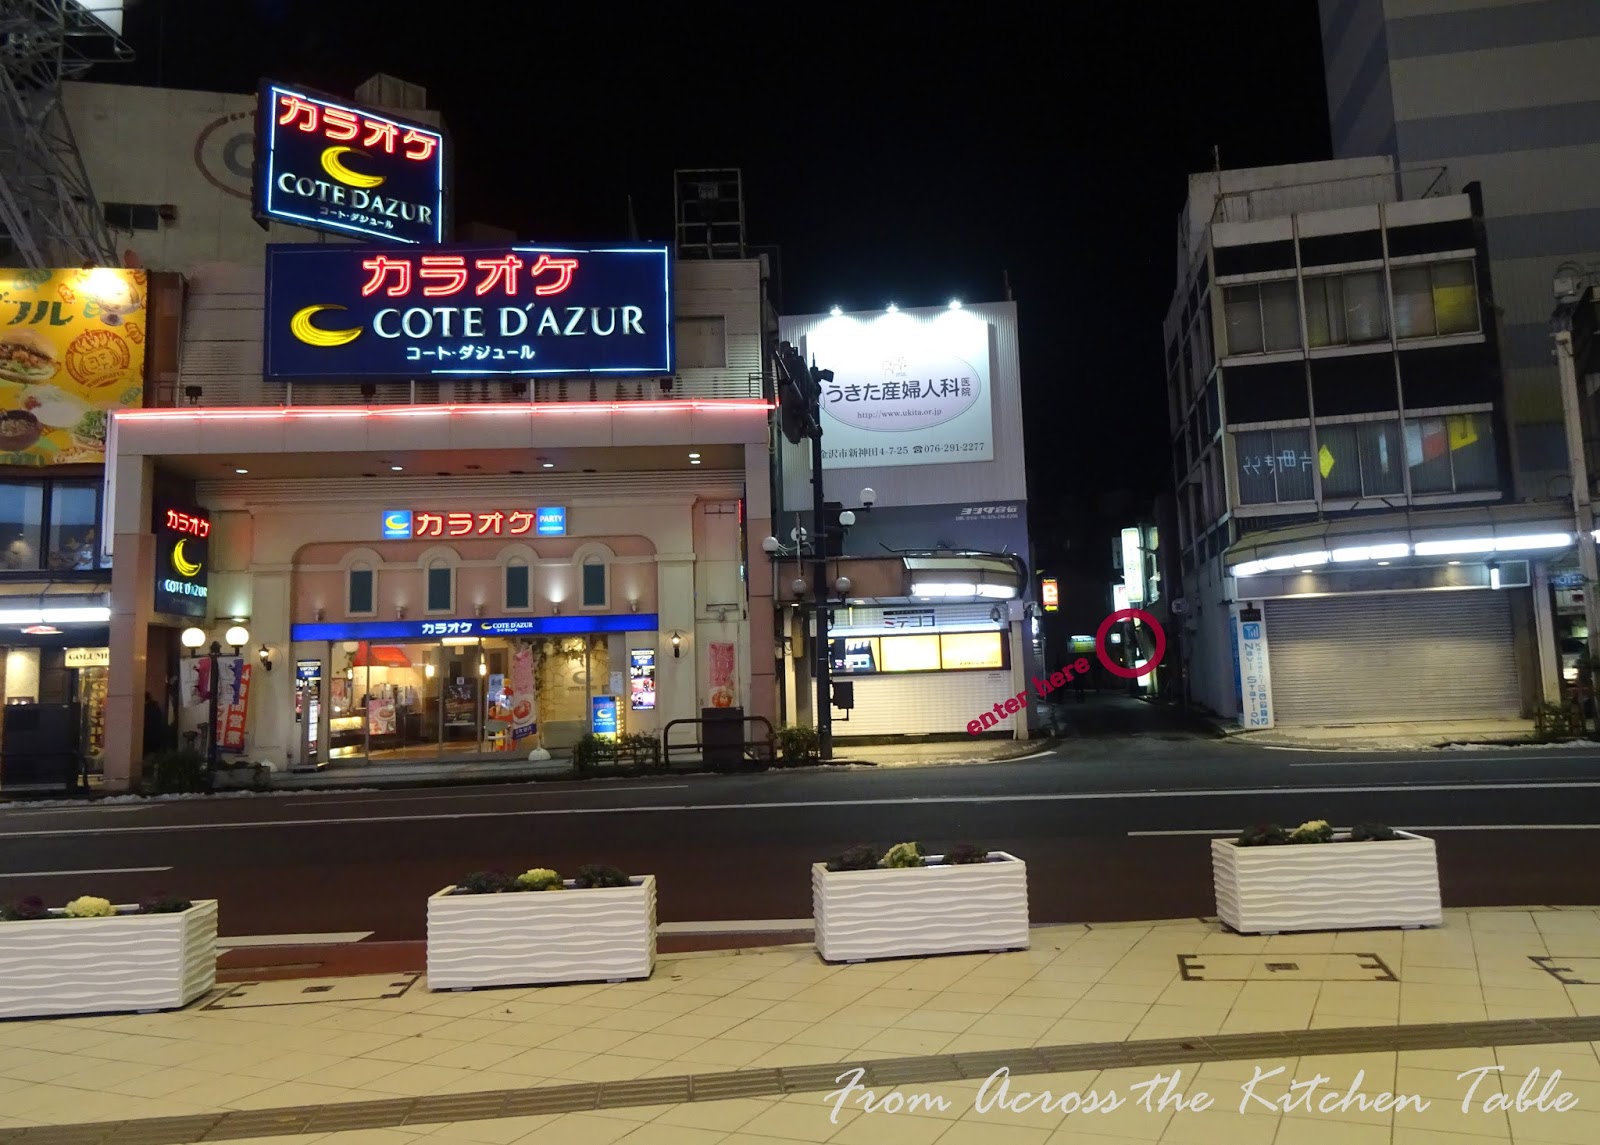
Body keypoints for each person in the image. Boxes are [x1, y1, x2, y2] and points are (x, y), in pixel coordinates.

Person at [143, 693, 165, 758]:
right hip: (155, 735)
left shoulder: (148, 708)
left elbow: (147, 721)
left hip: (149, 736)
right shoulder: (155, 707)